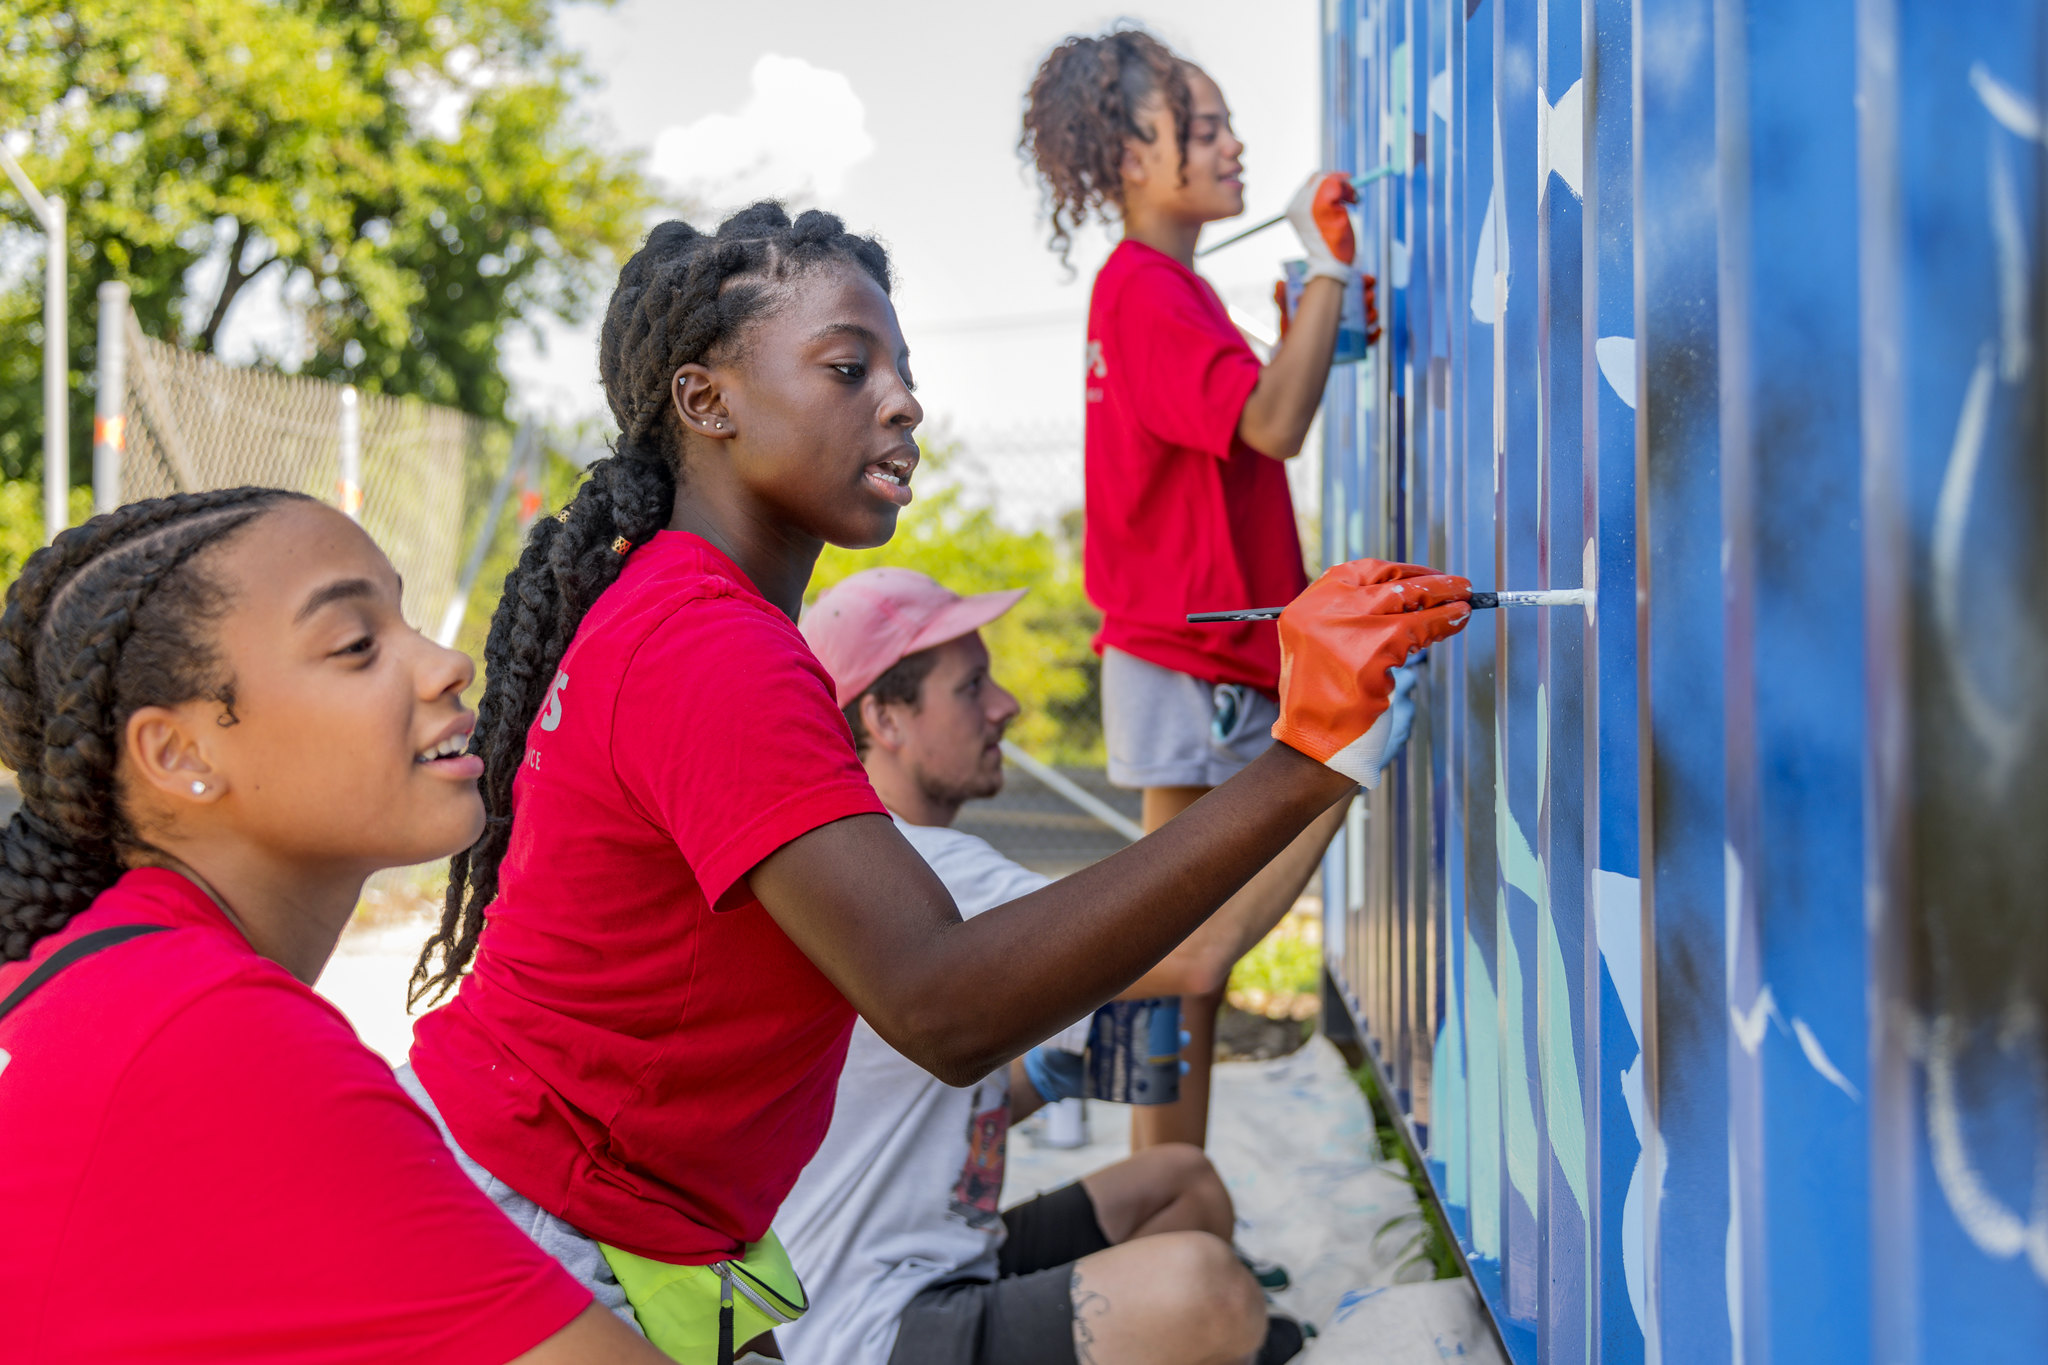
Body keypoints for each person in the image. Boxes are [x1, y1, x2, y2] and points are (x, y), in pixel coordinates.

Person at [403, 202, 1471, 1363]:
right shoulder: (710, 648)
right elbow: (942, 1007)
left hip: (628, 1230)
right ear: (704, 401)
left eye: (902, 371)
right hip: (539, 1230)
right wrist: (1307, 756)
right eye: (847, 368)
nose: (902, 401)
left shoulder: (692, 617)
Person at [0, 489, 667, 1364]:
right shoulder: (215, 1033)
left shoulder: (109, 976)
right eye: (357, 645)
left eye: (407, 619)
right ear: (180, 754)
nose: (446, 663)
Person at [775, 566, 1307, 1365]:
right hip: (871, 1333)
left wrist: (1032, 1083)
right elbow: (1195, 954)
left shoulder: (867, 863)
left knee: (1181, 1182)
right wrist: (1327, 763)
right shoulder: (924, 863)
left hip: (937, 1265)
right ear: (885, 717)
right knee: (1207, 1289)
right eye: (972, 686)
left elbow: (896, 1114)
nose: (1006, 706)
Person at [1019, 28, 1370, 1153]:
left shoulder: (1158, 293)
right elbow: (1274, 420)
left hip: (1193, 651)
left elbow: (1251, 414)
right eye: (1202, 127)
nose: (1231, 145)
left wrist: (1315, 326)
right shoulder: (1149, 294)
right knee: (1171, 950)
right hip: (1189, 655)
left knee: (1178, 956)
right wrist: (1327, 276)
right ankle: (1158, 1207)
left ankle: (1167, 1203)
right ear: (1129, 154)